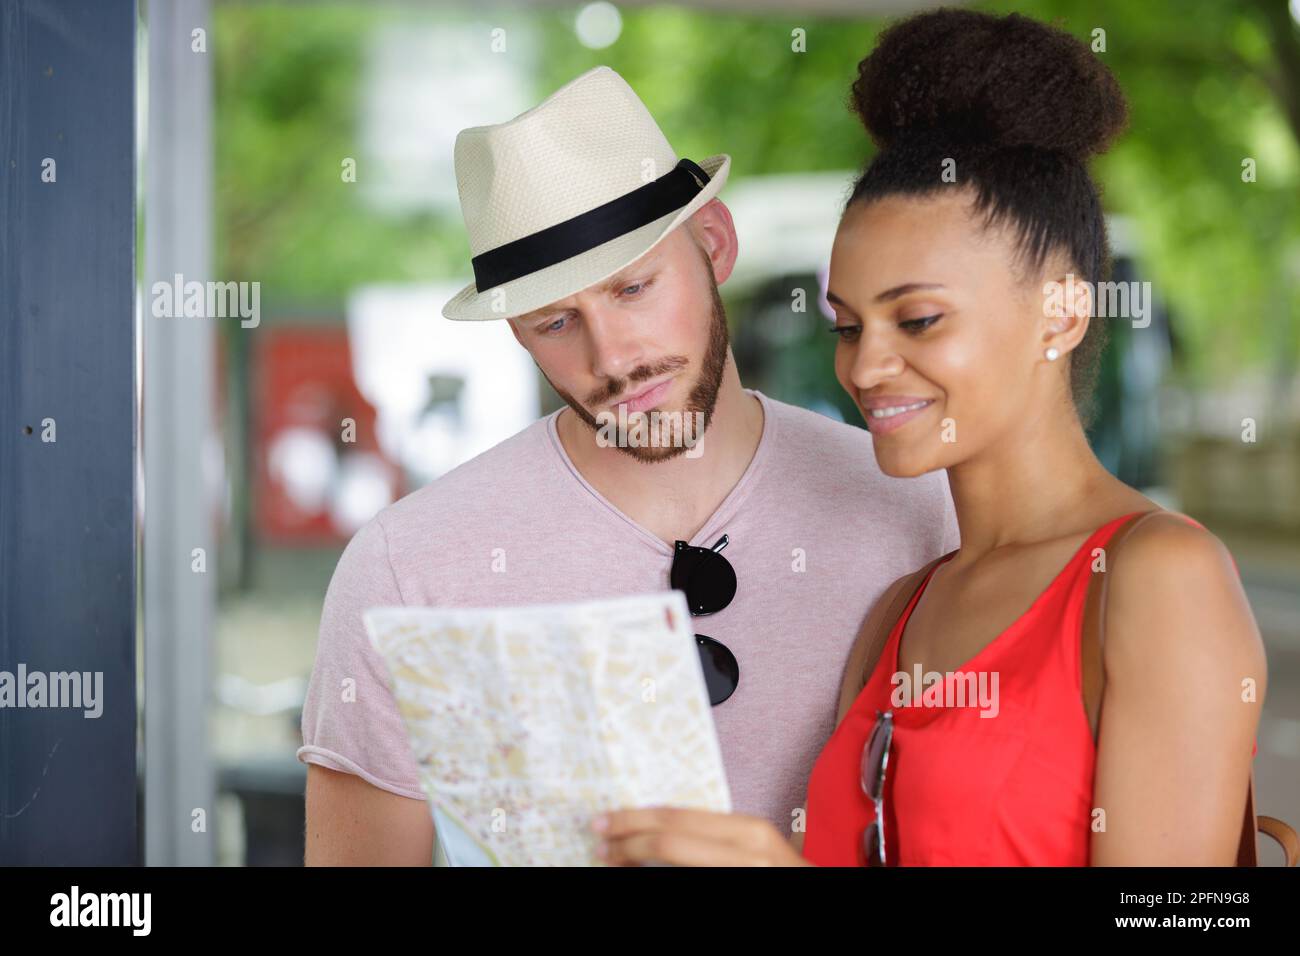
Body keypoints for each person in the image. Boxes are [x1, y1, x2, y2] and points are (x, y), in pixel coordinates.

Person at [596, 9, 1266, 867]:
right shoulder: (896, 614)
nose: (867, 366)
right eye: (846, 326)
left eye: (917, 319)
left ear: (1060, 310)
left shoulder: (1157, 577)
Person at [299, 65, 958, 865]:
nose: (612, 359)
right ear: (514, 333)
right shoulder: (409, 567)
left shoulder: (922, 512)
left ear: (713, 245)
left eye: (634, 289)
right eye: (554, 322)